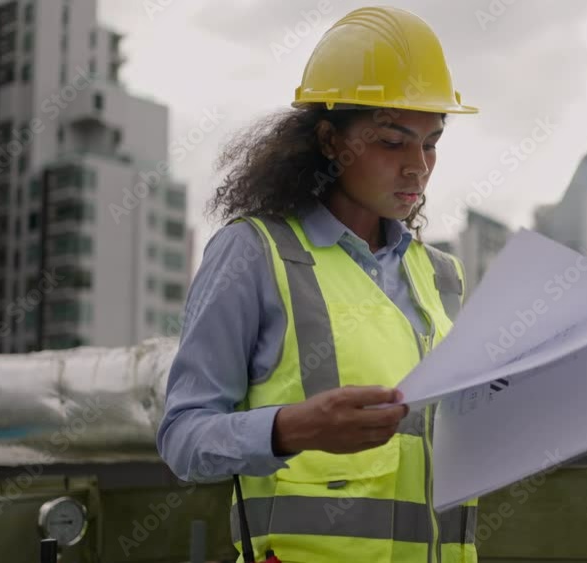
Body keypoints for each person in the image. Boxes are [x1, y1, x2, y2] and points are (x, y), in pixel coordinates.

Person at [156, 6, 479, 562]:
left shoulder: (441, 274)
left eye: (431, 142)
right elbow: (184, 439)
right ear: (330, 141)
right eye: (391, 141)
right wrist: (287, 429)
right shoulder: (254, 253)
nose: (418, 167)